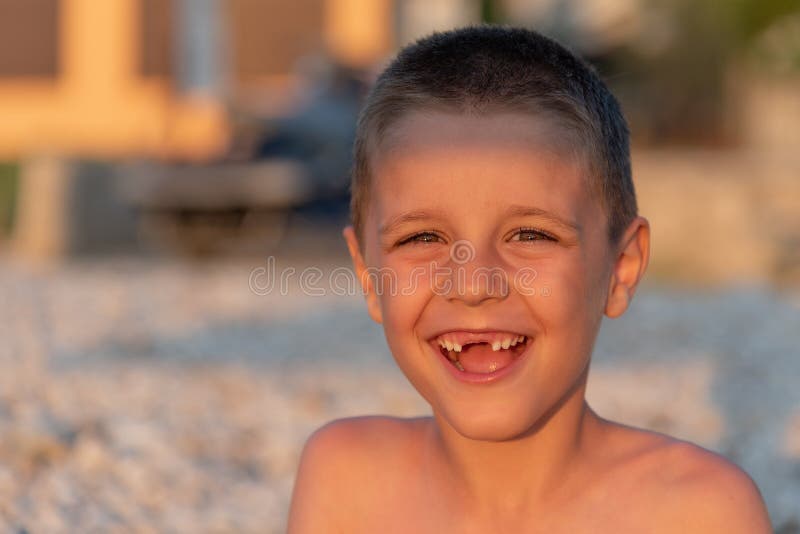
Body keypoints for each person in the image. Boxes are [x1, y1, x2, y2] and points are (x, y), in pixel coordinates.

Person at [287, 26, 772, 533]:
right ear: (368, 276)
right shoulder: (345, 480)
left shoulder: (697, 513)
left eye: (530, 234)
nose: (473, 284)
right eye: (422, 238)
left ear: (621, 266)